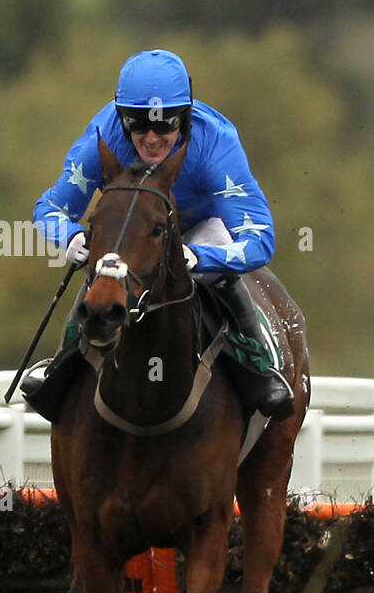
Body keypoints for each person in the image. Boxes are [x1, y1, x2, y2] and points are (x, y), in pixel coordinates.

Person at [25, 48, 293, 418]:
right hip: (133, 230)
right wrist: (69, 236)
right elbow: (50, 207)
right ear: (122, 118)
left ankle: (258, 367)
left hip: (201, 228)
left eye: (166, 123)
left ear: (185, 116)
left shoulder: (216, 144)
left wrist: (202, 257)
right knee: (103, 270)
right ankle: (64, 363)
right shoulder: (101, 138)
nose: (151, 137)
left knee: (219, 271)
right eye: (137, 123)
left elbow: (260, 240)